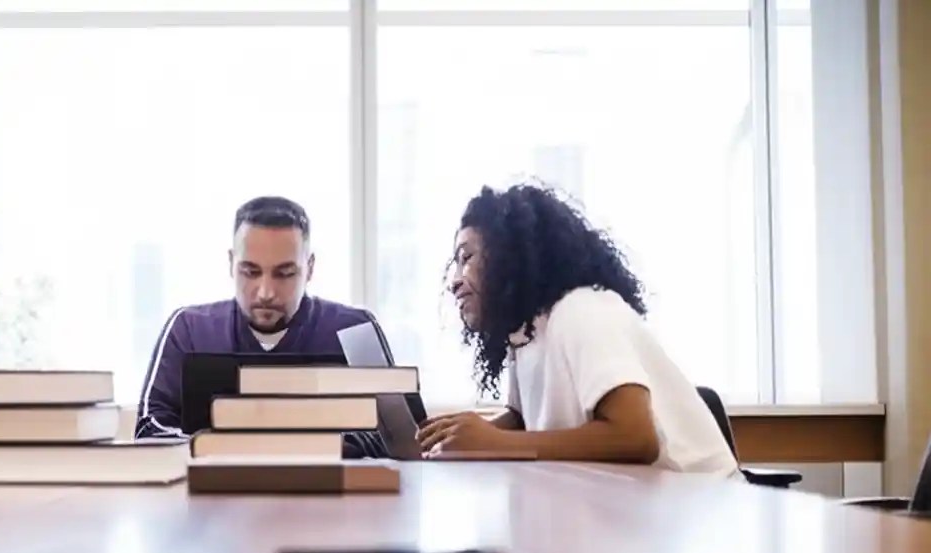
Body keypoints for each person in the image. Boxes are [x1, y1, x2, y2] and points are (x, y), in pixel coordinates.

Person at [416, 184, 738, 475]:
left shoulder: (581, 311)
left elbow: (635, 438)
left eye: (466, 257)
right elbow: (523, 421)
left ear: (508, 254)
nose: (455, 281)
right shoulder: (524, 334)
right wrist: (456, 437)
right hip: (644, 507)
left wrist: (493, 442)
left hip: (703, 508)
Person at [135, 196, 392, 456]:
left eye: (284, 274)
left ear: (310, 268)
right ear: (231, 264)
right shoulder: (188, 329)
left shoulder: (357, 331)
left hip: (335, 493)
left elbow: (399, 439)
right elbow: (150, 430)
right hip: (212, 494)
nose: (265, 292)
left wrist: (301, 447)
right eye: (250, 271)